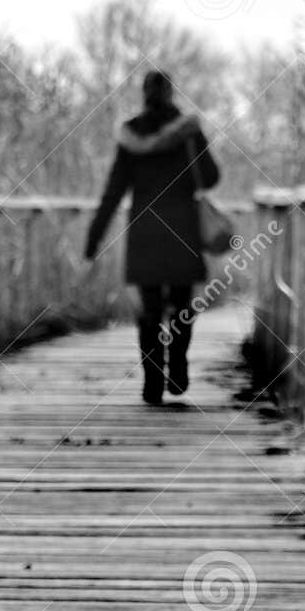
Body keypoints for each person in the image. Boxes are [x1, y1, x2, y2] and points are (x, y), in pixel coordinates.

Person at [85, 70, 220, 406]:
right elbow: (211, 178)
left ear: (143, 93)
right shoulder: (188, 131)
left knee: (149, 309)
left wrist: (93, 238)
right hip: (182, 228)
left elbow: (114, 191)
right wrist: (193, 150)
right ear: (171, 93)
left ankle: (152, 380)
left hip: (146, 230)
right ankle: (177, 366)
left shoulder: (131, 135)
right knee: (181, 304)